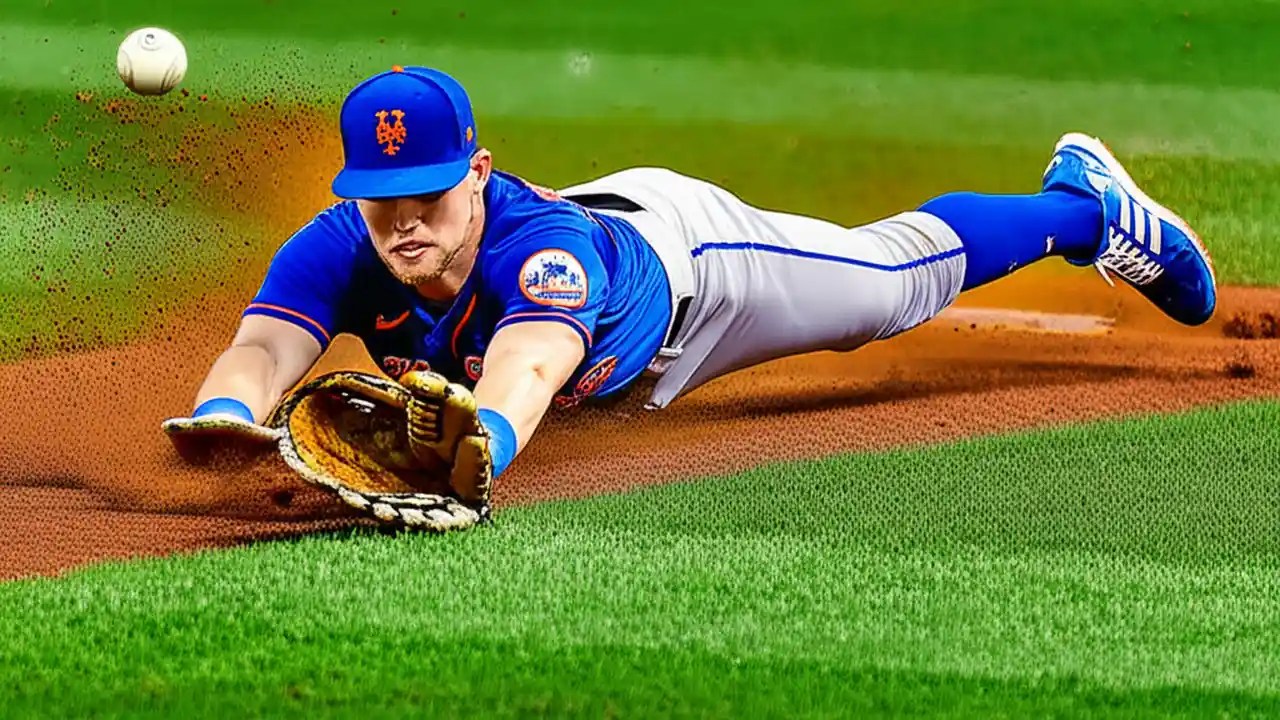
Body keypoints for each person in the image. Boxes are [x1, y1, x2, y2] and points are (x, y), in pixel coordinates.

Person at [162, 64, 1216, 483]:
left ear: (476, 173)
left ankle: (1081, 208)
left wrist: (476, 446)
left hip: (695, 270)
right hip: (604, 293)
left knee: (889, 288)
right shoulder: (343, 239)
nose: (402, 222)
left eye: (430, 195)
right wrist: (224, 414)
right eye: (382, 198)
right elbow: (265, 346)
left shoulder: (546, 259)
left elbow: (526, 370)